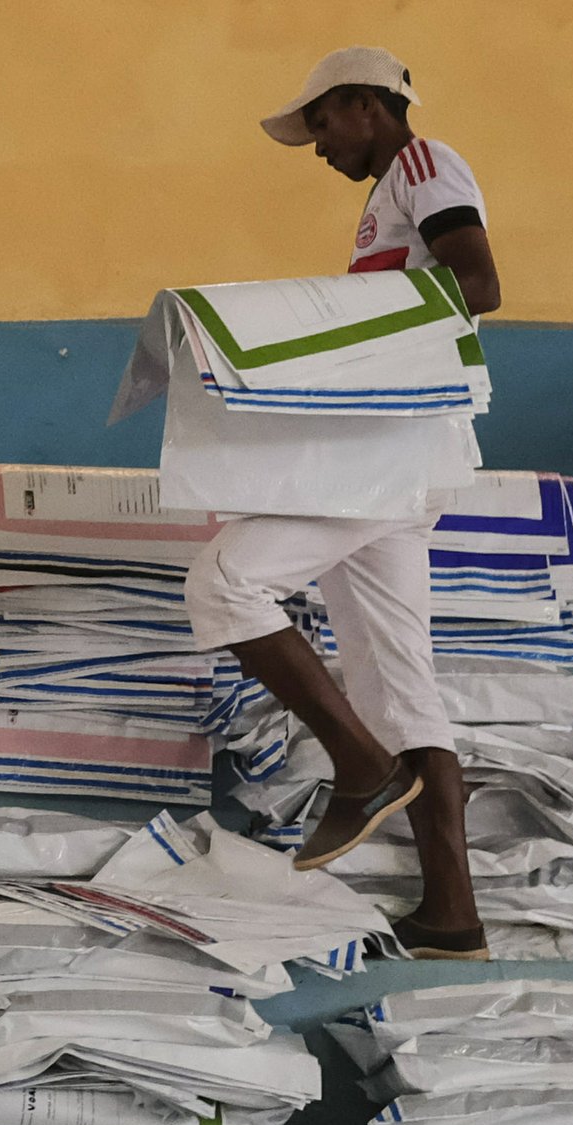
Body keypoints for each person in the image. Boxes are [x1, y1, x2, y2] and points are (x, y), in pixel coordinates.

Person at [182, 47, 502, 961]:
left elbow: (477, 285)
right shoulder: (387, 198)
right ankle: (451, 917)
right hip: (400, 459)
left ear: (367, 103)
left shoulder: (425, 164)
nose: (316, 146)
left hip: (390, 455)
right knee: (402, 682)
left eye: (321, 124)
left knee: (224, 581)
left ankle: (361, 770)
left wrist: (320, 343)